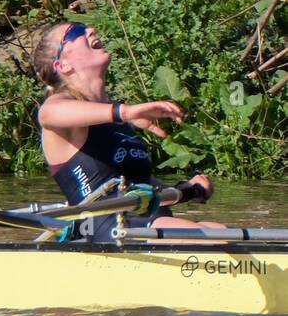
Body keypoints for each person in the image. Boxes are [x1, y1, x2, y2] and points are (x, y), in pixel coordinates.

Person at [33, 20, 222, 240]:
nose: (91, 29)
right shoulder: (61, 112)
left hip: (145, 221)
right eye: (76, 32)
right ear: (63, 65)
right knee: (220, 240)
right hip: (110, 230)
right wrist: (125, 112)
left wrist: (185, 189)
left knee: (219, 230)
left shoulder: (119, 123)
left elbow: (136, 187)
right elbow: (47, 114)